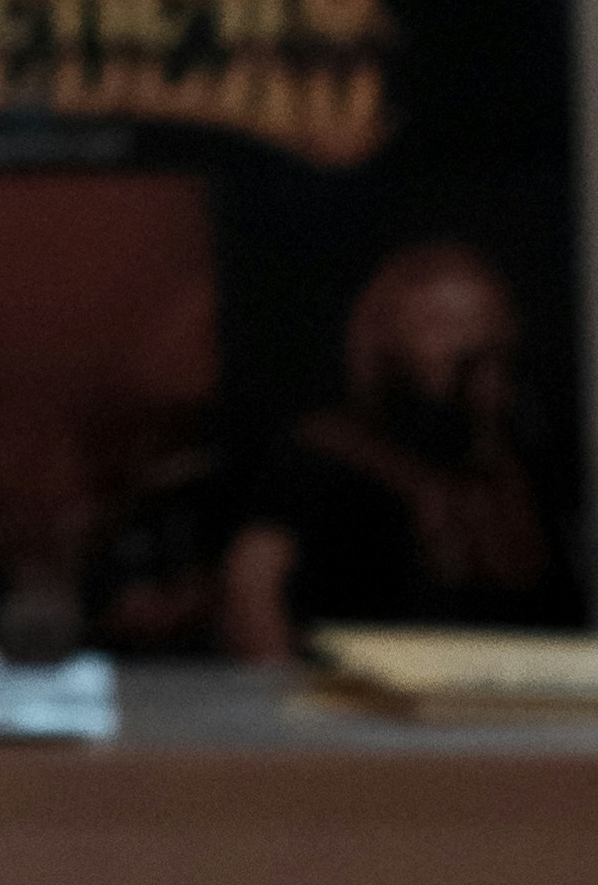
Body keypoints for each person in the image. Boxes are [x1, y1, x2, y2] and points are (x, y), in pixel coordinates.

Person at [219, 243, 571, 654]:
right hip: (361, 698)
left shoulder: (521, 458)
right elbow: (252, 588)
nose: (466, 341)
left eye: (482, 324)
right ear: (389, 336)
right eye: (440, 324)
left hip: (502, 697)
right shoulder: (327, 455)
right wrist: (283, 698)